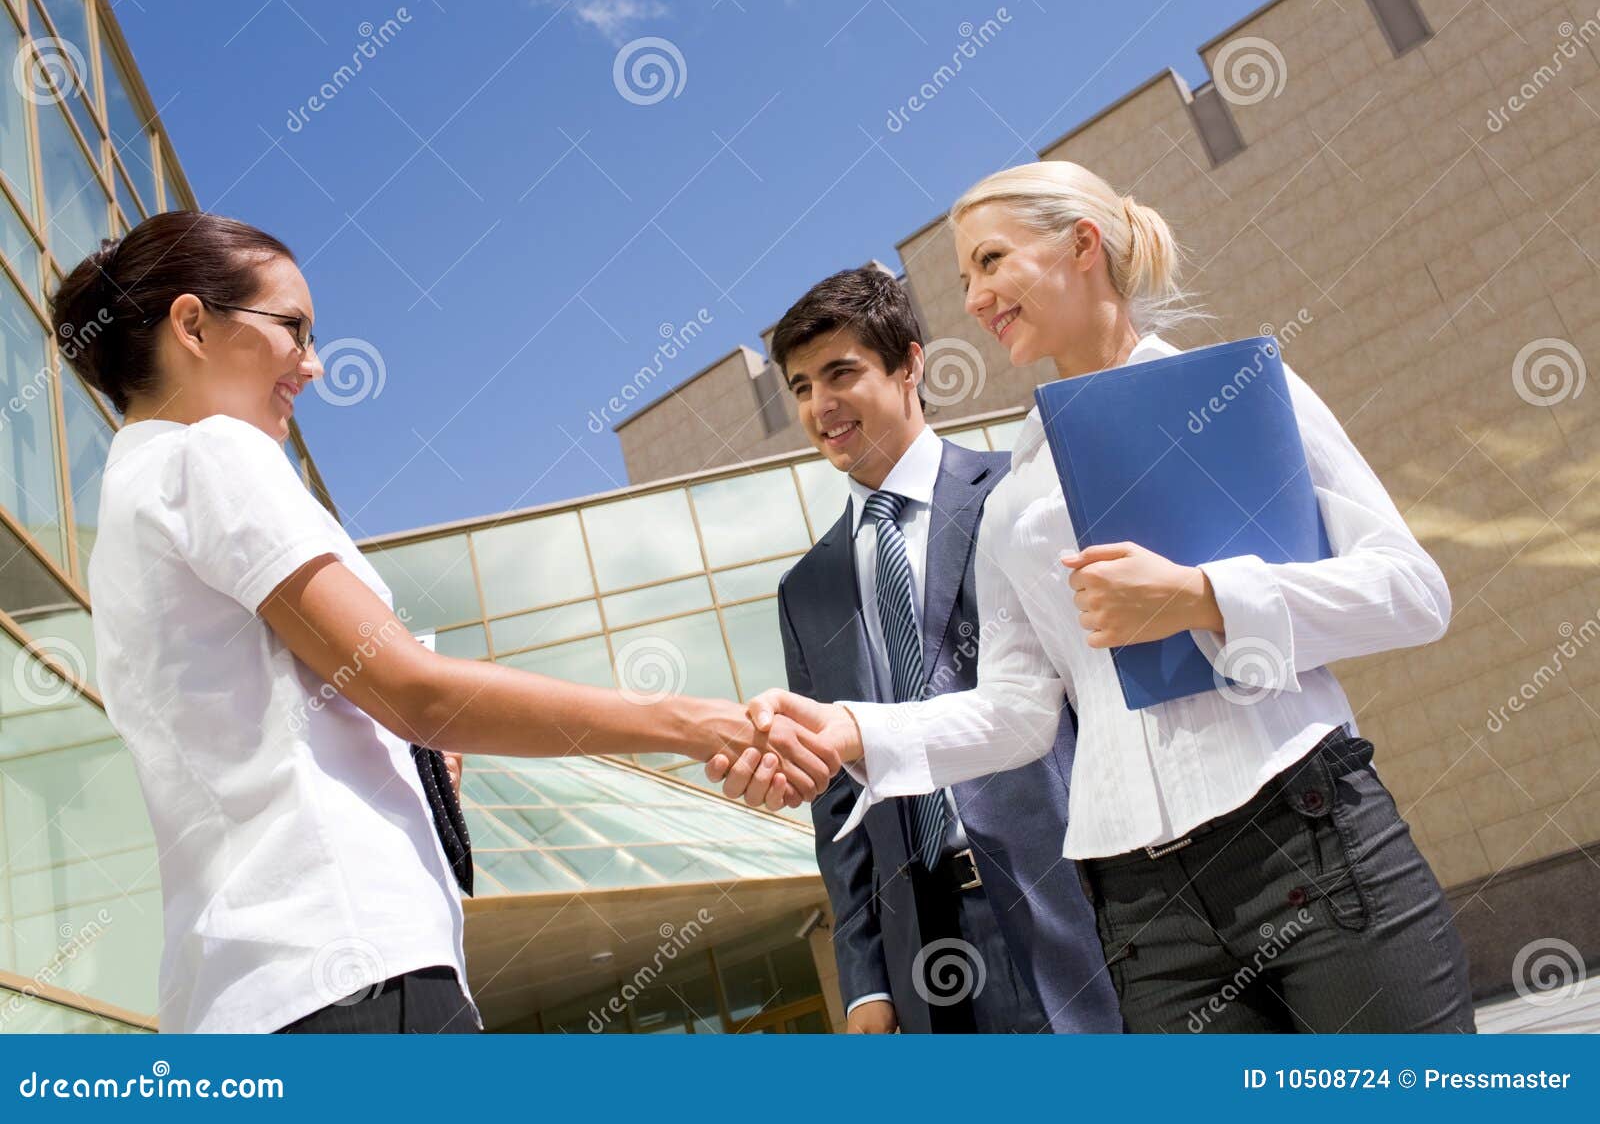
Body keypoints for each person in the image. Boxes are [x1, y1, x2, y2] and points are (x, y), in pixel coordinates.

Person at [719, 160, 1474, 1033]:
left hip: (1302, 837)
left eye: (992, 261)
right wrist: (857, 728)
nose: (974, 297)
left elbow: (1413, 592)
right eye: (965, 278)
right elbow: (1017, 713)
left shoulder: (1240, 390)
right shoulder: (1015, 499)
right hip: (1142, 909)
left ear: (1082, 245)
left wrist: (1205, 596)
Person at [57, 211, 836, 1034]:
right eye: (293, 328)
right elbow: (411, 689)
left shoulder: (130, 508)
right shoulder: (212, 451)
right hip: (350, 969)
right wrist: (693, 722)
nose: (314, 365)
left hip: (249, 992)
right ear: (192, 324)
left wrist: (408, 758)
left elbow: (304, 724)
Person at [746, 267, 1119, 1033]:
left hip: (1074, 896)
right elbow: (835, 800)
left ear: (911, 363)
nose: (821, 406)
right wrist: (864, 980)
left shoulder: (1014, 495)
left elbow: (1096, 692)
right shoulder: (806, 588)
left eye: (841, 372)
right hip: (928, 943)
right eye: (802, 386)